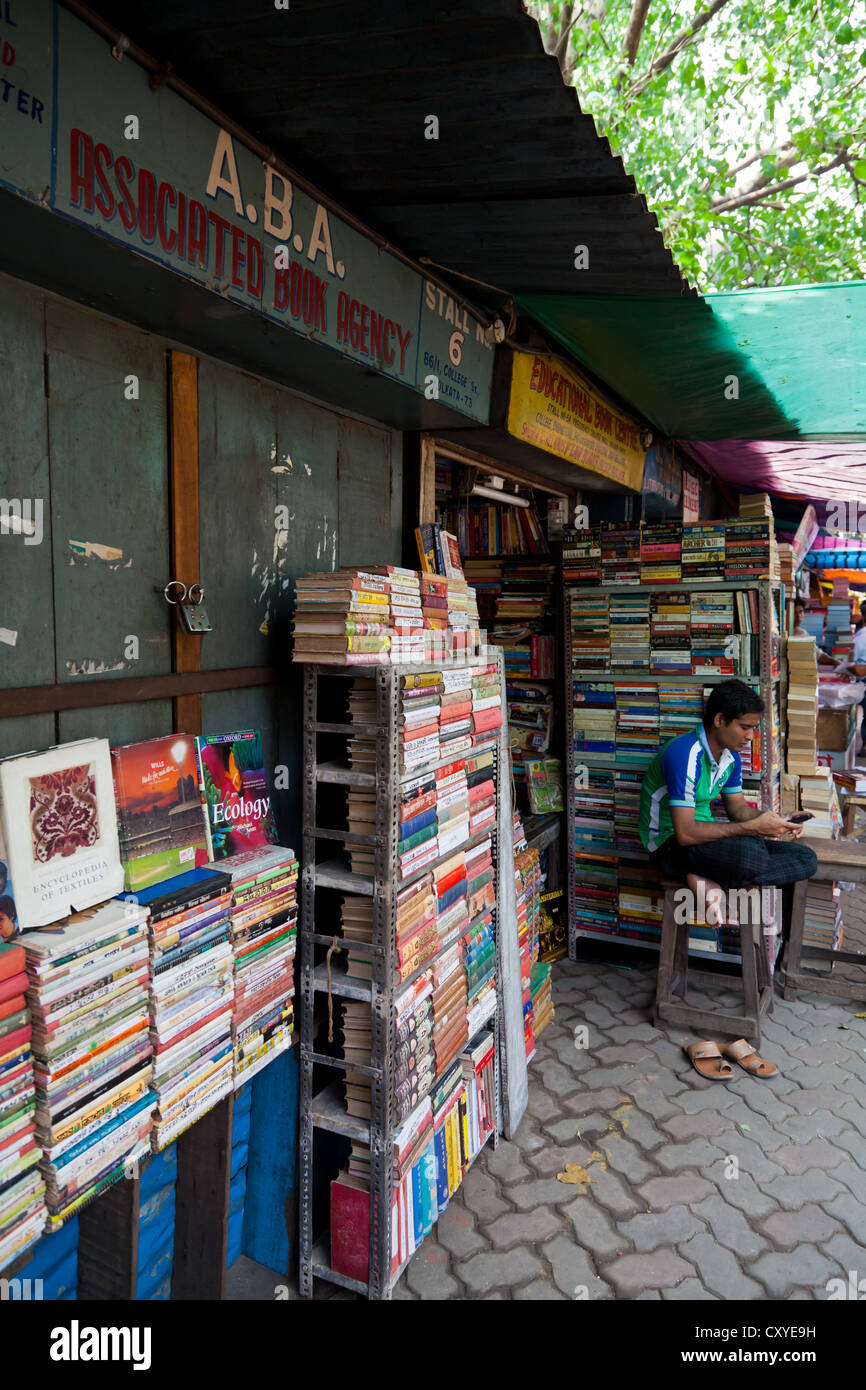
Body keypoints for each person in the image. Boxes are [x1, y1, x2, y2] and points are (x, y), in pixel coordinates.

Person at [638, 679, 817, 924]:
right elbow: (685, 834)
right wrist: (751, 829)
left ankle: (707, 878)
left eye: (753, 728)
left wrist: (777, 820)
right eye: (744, 727)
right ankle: (708, 876)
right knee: (751, 855)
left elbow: (738, 808)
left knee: (806, 858)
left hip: (705, 842)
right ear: (719, 720)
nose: (750, 736)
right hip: (668, 845)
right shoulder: (684, 754)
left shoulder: (730, 757)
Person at [792, 600, 838, 668]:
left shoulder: (801, 633)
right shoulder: (782, 633)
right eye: (794, 613)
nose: (798, 616)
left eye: (800, 612)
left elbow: (817, 654)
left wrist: (836, 662)